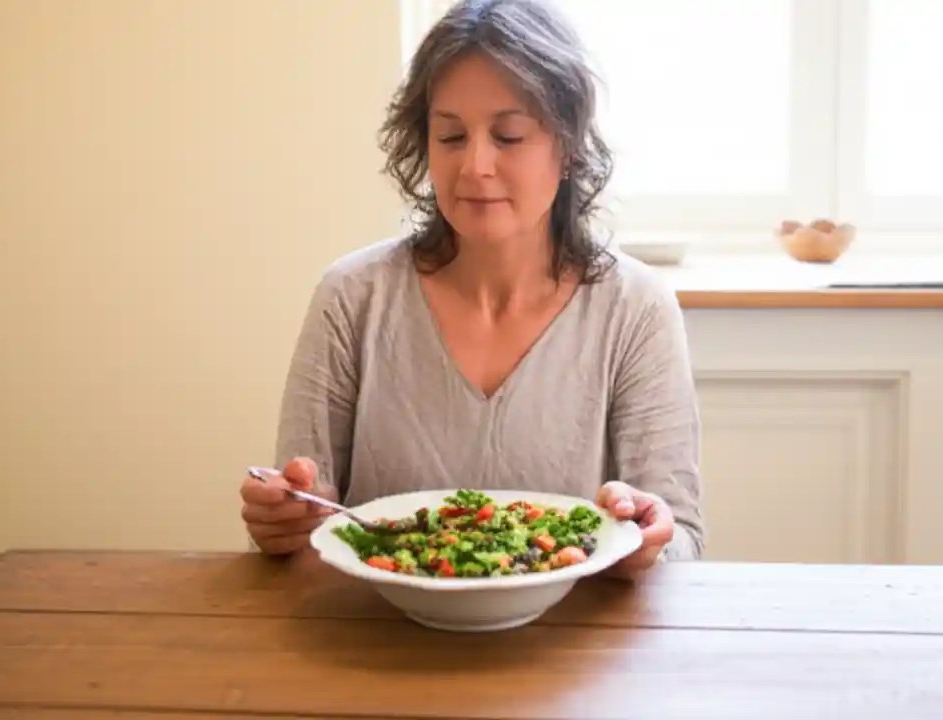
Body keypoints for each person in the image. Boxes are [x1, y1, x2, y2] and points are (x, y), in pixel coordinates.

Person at [240, 0, 704, 578]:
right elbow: (309, 518)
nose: (475, 165)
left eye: (508, 136)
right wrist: (281, 521)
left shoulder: (636, 308)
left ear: (569, 149)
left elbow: (680, 538)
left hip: (570, 653)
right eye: (451, 136)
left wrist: (649, 537)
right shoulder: (351, 298)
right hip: (379, 643)